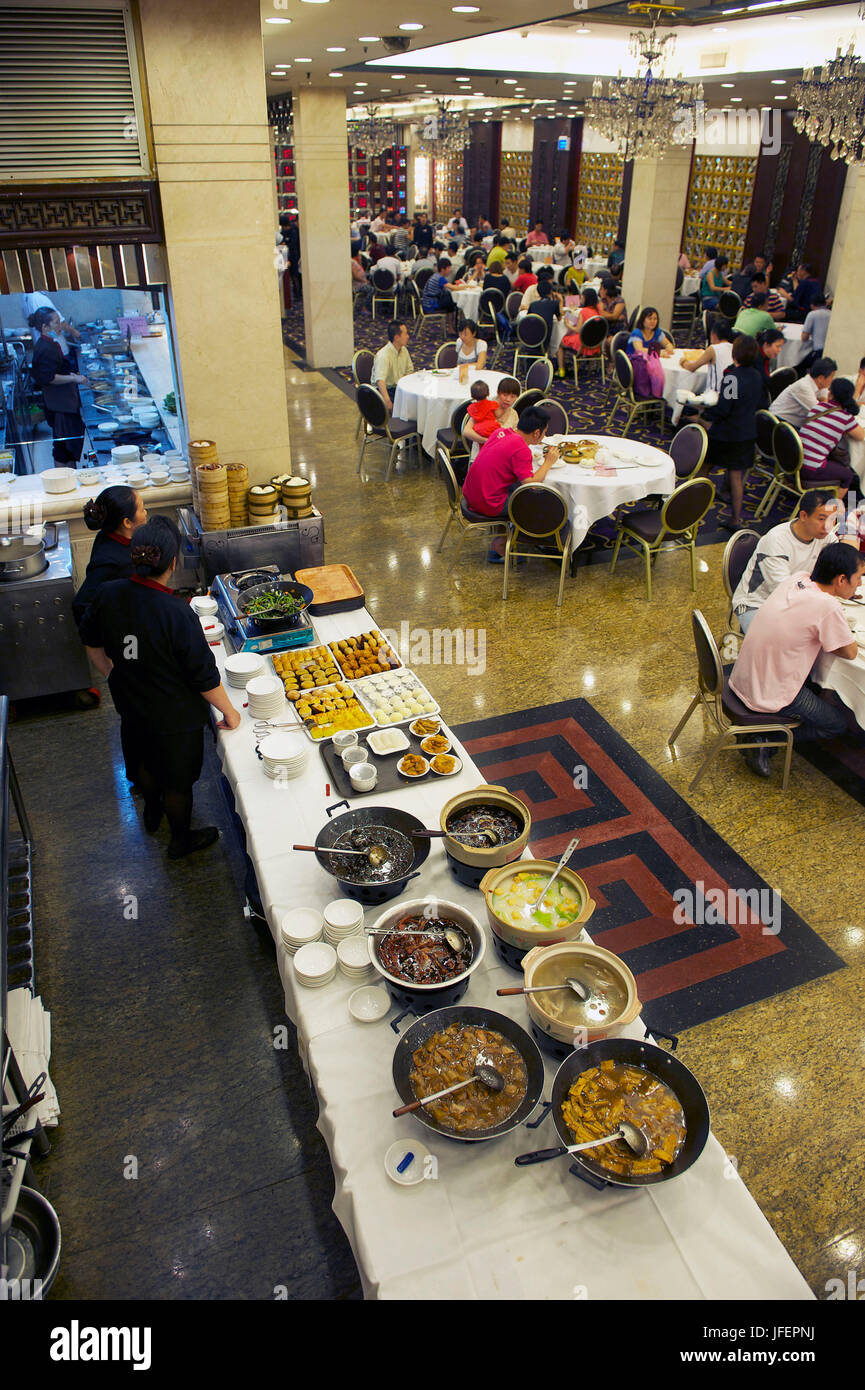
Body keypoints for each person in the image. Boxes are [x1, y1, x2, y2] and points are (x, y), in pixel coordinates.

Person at [80, 515, 241, 856]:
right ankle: (180, 840)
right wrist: (230, 712)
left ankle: (152, 810)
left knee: (143, 761)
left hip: (131, 703)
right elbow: (203, 676)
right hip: (174, 717)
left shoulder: (109, 593)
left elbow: (92, 642)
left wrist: (115, 673)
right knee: (178, 781)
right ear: (172, 562)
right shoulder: (176, 611)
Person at [730, 543, 865, 776]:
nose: (860, 584)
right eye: (859, 578)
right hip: (771, 690)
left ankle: (763, 734)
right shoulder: (827, 605)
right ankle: (764, 739)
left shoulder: (799, 579)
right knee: (836, 724)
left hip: (744, 675)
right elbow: (850, 652)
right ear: (841, 580)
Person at [730, 490, 860, 632]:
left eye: (832, 519)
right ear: (803, 515)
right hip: (758, 604)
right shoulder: (777, 541)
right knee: (797, 642)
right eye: (821, 519)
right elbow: (784, 591)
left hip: (798, 600)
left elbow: (843, 563)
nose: (827, 526)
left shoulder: (825, 537)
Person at [461, 405, 561, 561]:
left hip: (471, 491)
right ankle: (503, 542)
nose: (544, 436)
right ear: (536, 433)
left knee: (516, 487)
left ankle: (503, 536)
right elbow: (531, 484)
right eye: (544, 432)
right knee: (533, 499)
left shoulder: (502, 432)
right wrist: (548, 462)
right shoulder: (521, 449)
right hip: (487, 502)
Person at [702, 333, 765, 528]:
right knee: (736, 476)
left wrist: (703, 412)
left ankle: (687, 504)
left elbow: (723, 409)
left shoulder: (732, 378)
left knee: (704, 469)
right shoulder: (757, 376)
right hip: (747, 432)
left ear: (734, 354)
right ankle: (736, 518)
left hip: (726, 433)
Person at [72, 486, 147, 628]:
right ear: (127, 522)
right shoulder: (109, 562)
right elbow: (80, 605)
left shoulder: (109, 534)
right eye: (142, 509)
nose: (145, 513)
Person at [28, 307, 88, 465]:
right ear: (45, 327)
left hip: (61, 402)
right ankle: (65, 480)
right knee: (63, 447)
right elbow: (50, 378)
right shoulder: (46, 348)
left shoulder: (49, 343)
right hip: (60, 406)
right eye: (56, 323)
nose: (60, 326)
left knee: (67, 445)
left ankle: (71, 476)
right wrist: (73, 379)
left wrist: (71, 375)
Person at [798, 378, 864, 499]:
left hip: (795, 462)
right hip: (810, 469)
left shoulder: (817, 407)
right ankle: (832, 511)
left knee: (839, 463)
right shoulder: (845, 417)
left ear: (830, 393)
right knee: (849, 475)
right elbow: (860, 436)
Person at [674, 320, 735, 417]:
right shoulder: (734, 348)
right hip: (731, 396)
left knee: (683, 404)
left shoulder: (713, 349)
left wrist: (683, 361)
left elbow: (692, 367)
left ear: (714, 334)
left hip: (715, 397)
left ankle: (695, 420)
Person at [771, 357, 836, 430]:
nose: (832, 380)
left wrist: (825, 401)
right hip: (779, 422)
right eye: (831, 377)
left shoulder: (819, 384)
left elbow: (827, 399)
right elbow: (820, 412)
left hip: (791, 423)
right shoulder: (804, 387)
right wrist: (825, 403)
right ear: (821, 378)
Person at [461, 376, 520, 452]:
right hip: (481, 453)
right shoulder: (485, 406)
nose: (508, 399)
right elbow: (466, 431)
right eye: (505, 395)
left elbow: (514, 436)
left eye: (512, 397)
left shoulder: (513, 414)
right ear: (498, 393)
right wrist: (487, 441)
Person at [557, 286, 602, 376]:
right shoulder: (598, 311)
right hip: (596, 342)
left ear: (585, 298)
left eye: (581, 297)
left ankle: (561, 369)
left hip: (583, 342)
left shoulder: (583, 311)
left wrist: (568, 325)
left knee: (560, 343)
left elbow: (578, 329)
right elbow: (582, 323)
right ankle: (578, 366)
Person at [23, 291, 80, 356]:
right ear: (45, 327)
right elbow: (61, 323)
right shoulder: (39, 298)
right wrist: (73, 331)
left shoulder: (26, 296)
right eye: (56, 323)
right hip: (54, 350)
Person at [373, 320, 413, 412]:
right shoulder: (383, 355)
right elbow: (380, 381)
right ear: (397, 337)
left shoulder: (404, 350)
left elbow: (409, 370)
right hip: (385, 391)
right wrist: (387, 401)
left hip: (399, 388)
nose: (408, 337)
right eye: (405, 334)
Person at [799, 295, 832, 374]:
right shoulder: (831, 314)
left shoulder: (812, 314)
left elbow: (804, 337)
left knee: (798, 363)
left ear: (812, 305)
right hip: (829, 351)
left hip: (818, 353)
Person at [422, 258, 456, 322]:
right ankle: (451, 328)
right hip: (431, 305)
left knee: (449, 298)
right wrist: (468, 286)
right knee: (451, 303)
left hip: (427, 302)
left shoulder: (435, 275)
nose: (450, 270)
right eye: (448, 268)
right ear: (443, 269)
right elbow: (453, 288)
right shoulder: (440, 279)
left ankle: (451, 326)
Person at [527, 277, 561, 342]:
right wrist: (561, 301)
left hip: (529, 337)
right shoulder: (554, 303)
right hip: (545, 337)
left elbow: (528, 319)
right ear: (551, 291)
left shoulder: (532, 304)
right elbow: (559, 319)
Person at [756, 328, 785, 393]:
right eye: (777, 346)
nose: (780, 350)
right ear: (766, 345)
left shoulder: (765, 357)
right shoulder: (755, 358)